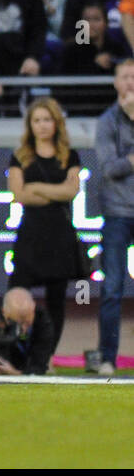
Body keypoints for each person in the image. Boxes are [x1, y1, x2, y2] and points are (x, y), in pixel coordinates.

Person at [8, 97, 83, 357]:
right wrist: (55, 192)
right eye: (37, 120)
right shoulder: (20, 157)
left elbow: (71, 190)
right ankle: (16, 351)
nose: (42, 125)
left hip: (59, 234)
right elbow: (19, 194)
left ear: (56, 123)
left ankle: (47, 356)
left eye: (47, 120)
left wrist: (37, 188)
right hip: (30, 233)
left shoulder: (69, 156)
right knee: (17, 291)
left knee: (56, 299)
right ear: (30, 124)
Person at [91, 58, 134, 376]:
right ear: (115, 83)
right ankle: (107, 357)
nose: (130, 82)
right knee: (112, 288)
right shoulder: (107, 122)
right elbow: (108, 170)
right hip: (118, 213)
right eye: (124, 76)